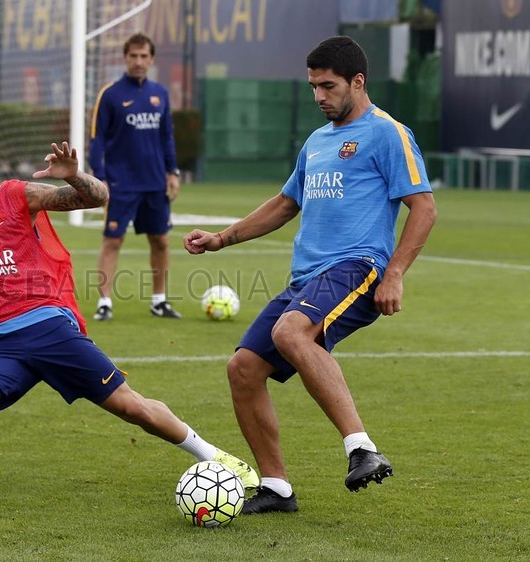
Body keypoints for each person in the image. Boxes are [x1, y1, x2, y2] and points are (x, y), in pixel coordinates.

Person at [0, 133, 259, 493]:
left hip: (46, 324)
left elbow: (97, 198)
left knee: (129, 405)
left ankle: (216, 457)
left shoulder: (19, 195)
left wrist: (73, 176)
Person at [183, 36, 438, 514]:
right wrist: (222, 238)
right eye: (313, 87)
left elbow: (424, 209)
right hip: (308, 277)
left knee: (290, 331)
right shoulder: (317, 142)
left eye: (328, 86)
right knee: (243, 369)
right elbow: (285, 205)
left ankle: (361, 447)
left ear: (357, 82)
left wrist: (396, 273)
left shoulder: (387, 133)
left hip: (357, 268)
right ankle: (277, 488)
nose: (319, 96)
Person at [88, 33, 181, 321]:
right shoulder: (111, 94)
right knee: (112, 240)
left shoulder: (160, 94)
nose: (138, 61)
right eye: (133, 56)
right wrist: (99, 177)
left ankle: (159, 300)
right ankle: (104, 302)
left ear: (151, 59)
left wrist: (172, 171)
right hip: (120, 184)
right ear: (125, 58)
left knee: (161, 241)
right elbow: (97, 139)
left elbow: (167, 136)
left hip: (155, 183)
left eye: (144, 56)